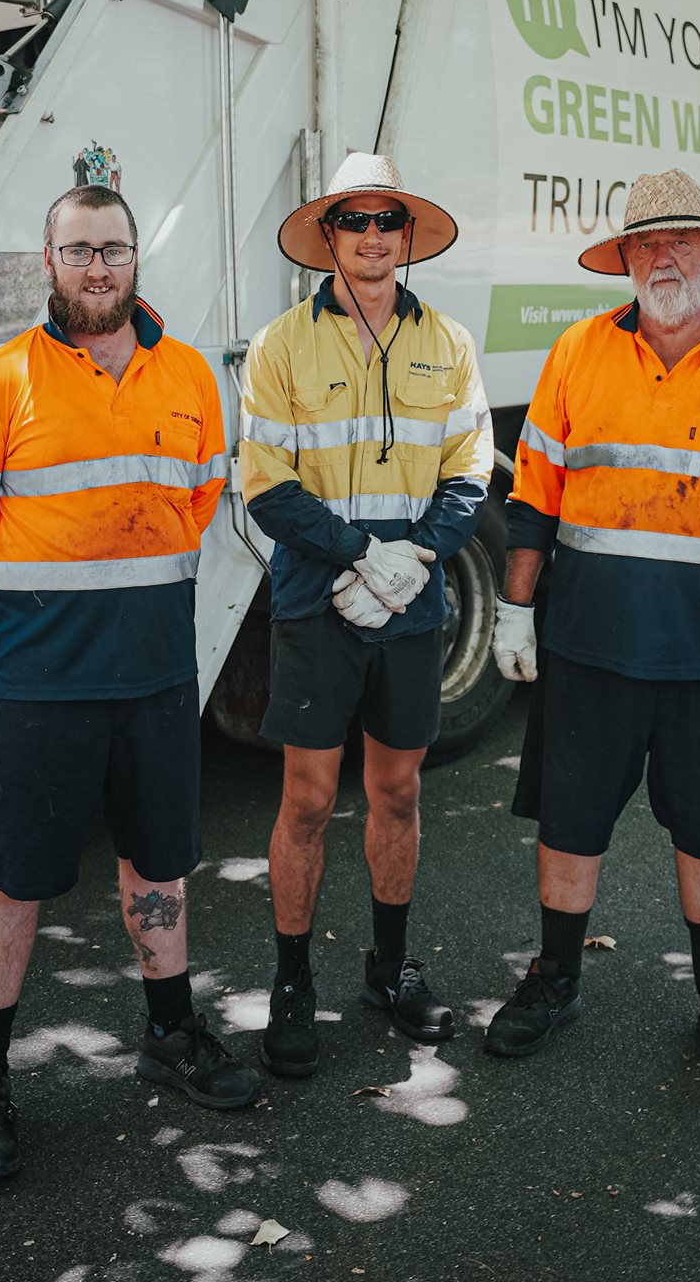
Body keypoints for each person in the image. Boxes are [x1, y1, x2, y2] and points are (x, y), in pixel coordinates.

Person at [0, 184, 260, 1186]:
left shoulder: (188, 374)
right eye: (78, 250)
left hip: (155, 676)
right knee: (14, 878)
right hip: (42, 682)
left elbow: (199, 498)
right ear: (48, 261)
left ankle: (169, 1034)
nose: (97, 267)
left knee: (158, 865)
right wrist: (50, 603)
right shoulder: (2, 382)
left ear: (135, 258)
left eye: (113, 248)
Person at [485, 168, 700, 1077]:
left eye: (683, 239)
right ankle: (554, 977)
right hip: (589, 645)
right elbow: (534, 501)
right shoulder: (577, 353)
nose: (666, 257)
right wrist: (514, 609)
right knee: (569, 819)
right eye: (648, 242)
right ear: (626, 260)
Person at [240, 153, 493, 1078]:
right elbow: (265, 484)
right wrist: (359, 554)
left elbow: (470, 469)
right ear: (330, 235)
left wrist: (414, 557)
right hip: (317, 598)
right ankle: (292, 982)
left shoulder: (449, 343)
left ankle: (389, 971)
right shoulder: (280, 345)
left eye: (389, 219)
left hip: (413, 599)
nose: (374, 235)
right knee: (308, 799)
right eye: (356, 219)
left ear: (407, 234)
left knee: (399, 792)